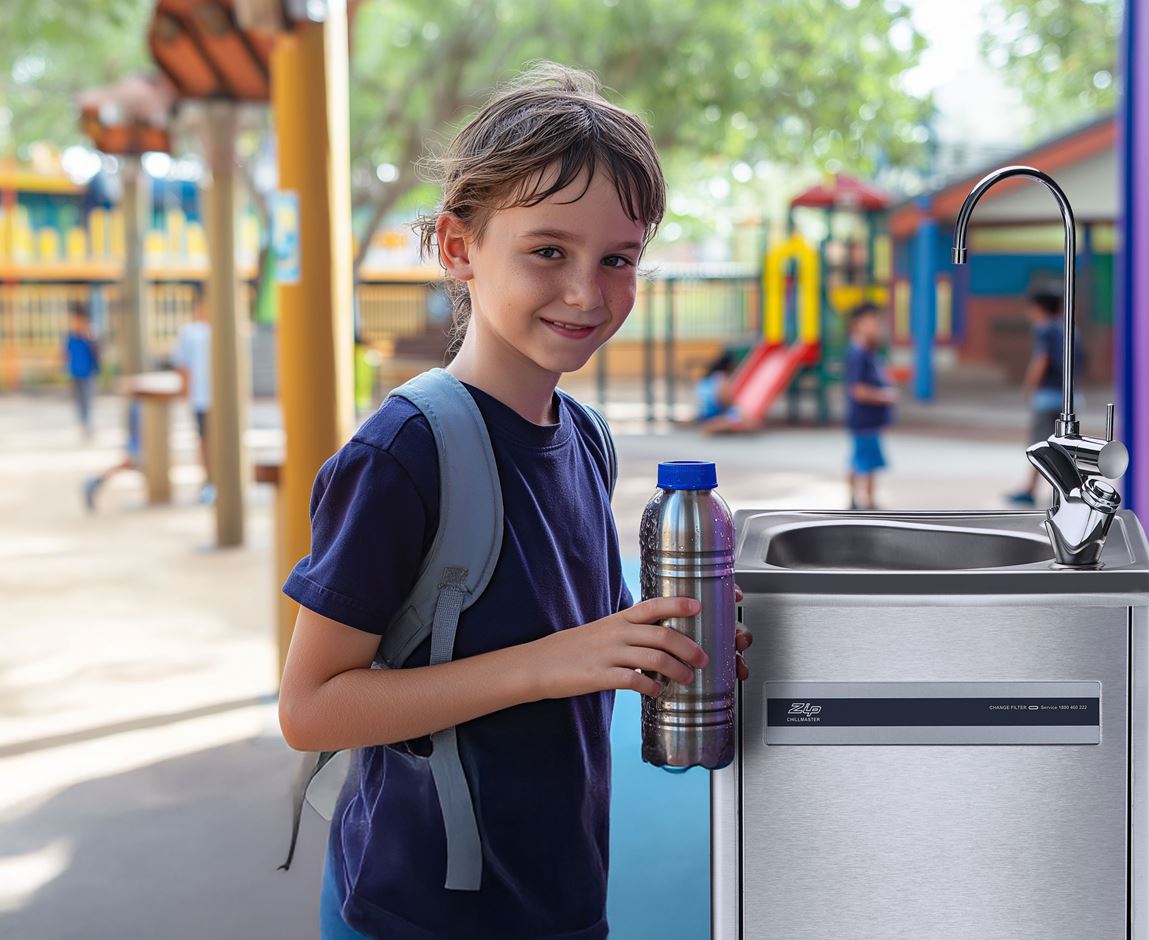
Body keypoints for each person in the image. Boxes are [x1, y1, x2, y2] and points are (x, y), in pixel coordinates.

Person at [276, 64, 751, 939]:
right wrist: (550, 662)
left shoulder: (586, 438)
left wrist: (662, 648)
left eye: (618, 259)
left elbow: (573, 637)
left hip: (559, 891)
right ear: (459, 248)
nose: (586, 291)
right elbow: (311, 709)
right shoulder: (403, 453)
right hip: (420, 910)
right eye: (547, 251)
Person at [1006, 289, 1081, 506]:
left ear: (1039, 308)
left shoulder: (1044, 330)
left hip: (1048, 396)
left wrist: (1029, 387)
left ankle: (1036, 490)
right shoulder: (1069, 330)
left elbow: (1041, 360)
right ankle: (1059, 489)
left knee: (1041, 444)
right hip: (1068, 396)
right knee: (1063, 446)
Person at [844, 302, 896, 511]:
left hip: (870, 420)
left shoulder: (869, 351)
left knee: (868, 461)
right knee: (861, 461)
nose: (877, 328)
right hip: (863, 419)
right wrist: (883, 396)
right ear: (858, 324)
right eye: (872, 323)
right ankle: (859, 500)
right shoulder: (857, 353)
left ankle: (866, 499)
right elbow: (857, 389)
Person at [172, 297, 214, 502]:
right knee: (205, 440)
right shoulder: (191, 332)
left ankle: (212, 481)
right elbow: (183, 367)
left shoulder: (218, 330)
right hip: (202, 397)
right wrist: (185, 392)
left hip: (210, 397)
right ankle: (208, 481)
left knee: (210, 440)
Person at [63, 302, 101, 442]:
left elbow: (96, 352)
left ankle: (88, 423)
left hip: (87, 371)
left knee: (87, 398)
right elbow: (66, 352)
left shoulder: (90, 334)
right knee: (78, 399)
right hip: (75, 371)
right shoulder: (71, 334)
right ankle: (82, 423)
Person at [694, 349, 744, 433]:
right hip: (714, 415)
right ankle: (717, 425)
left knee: (738, 415)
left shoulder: (706, 379)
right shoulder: (721, 378)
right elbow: (724, 400)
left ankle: (715, 425)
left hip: (702, 415)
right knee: (744, 418)